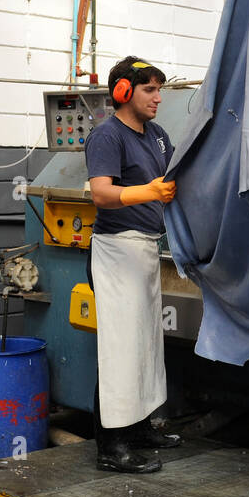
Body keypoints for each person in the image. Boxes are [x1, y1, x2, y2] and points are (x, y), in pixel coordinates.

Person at [84, 56, 182, 473]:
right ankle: (111, 446)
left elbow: (179, 175)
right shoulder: (107, 136)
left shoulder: (157, 136)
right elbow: (102, 194)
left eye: (160, 89)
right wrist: (150, 192)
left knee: (144, 344)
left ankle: (139, 427)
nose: (158, 97)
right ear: (123, 92)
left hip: (143, 249)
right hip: (115, 250)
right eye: (149, 89)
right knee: (120, 349)